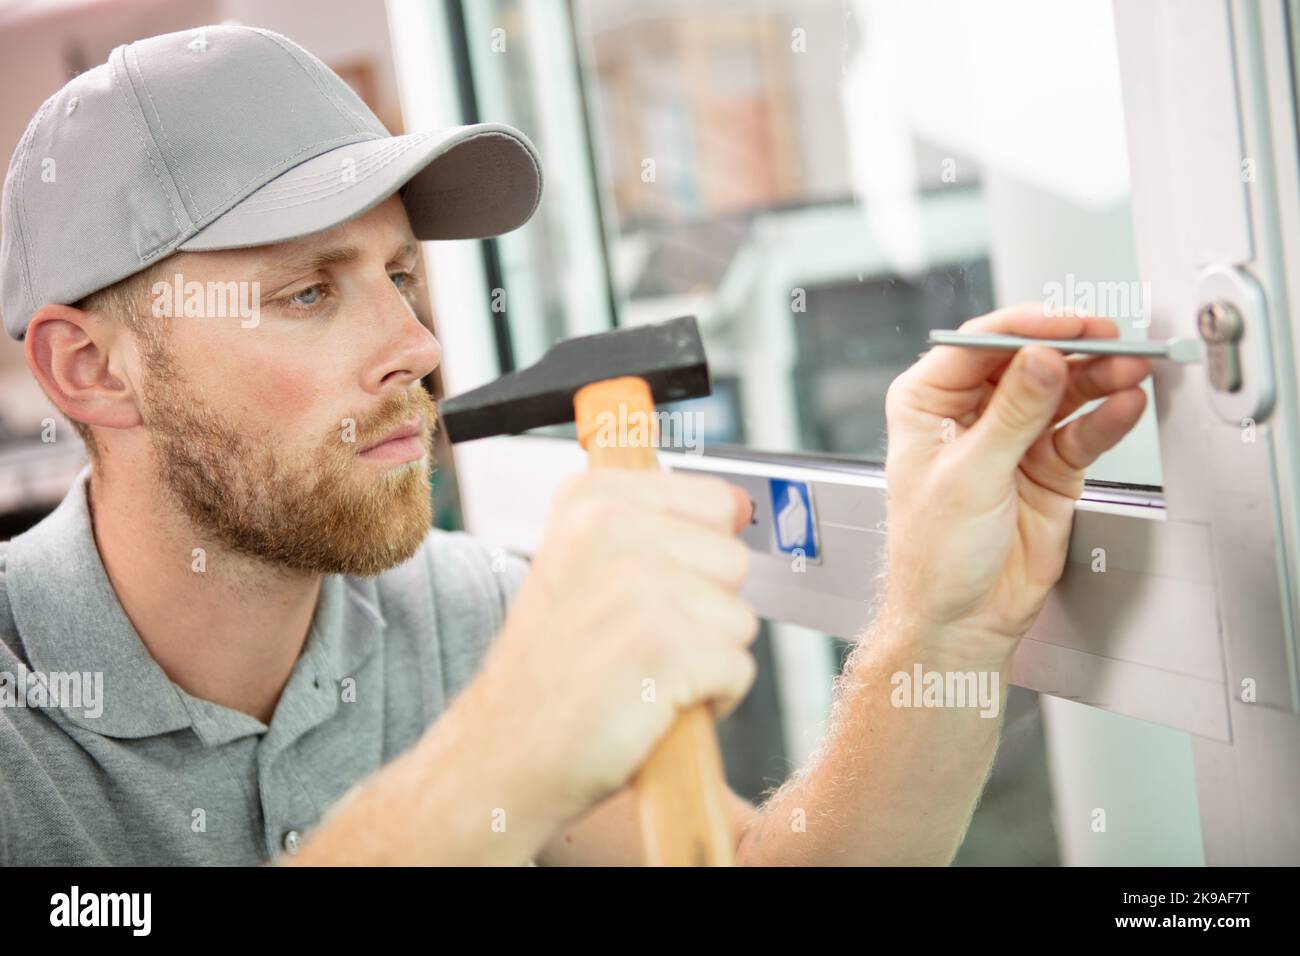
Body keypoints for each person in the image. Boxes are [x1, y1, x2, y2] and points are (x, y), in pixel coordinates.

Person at [0, 25, 1151, 865]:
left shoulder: (468, 615)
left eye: (401, 273)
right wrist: (504, 750)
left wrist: (940, 619)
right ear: (91, 370)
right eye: (307, 291)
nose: (417, 343)